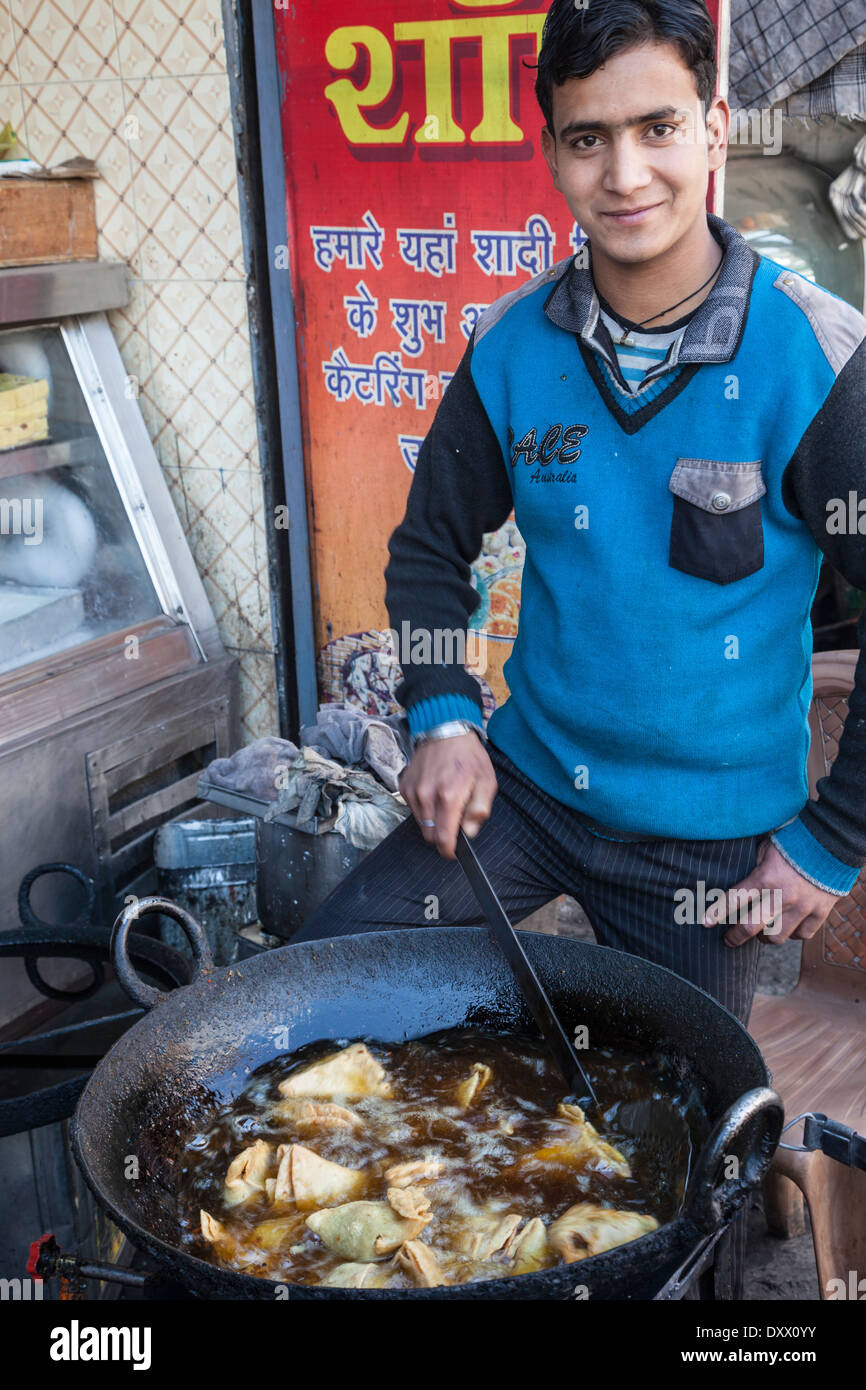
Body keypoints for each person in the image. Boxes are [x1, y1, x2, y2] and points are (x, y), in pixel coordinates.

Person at [292, 0, 866, 1034]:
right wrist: (442, 716)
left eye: (656, 128)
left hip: (709, 846)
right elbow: (430, 546)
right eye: (587, 138)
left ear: (714, 128)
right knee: (316, 989)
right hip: (527, 793)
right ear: (548, 147)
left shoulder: (812, 356)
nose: (625, 174)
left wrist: (829, 842)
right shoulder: (512, 348)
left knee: (693, 1143)